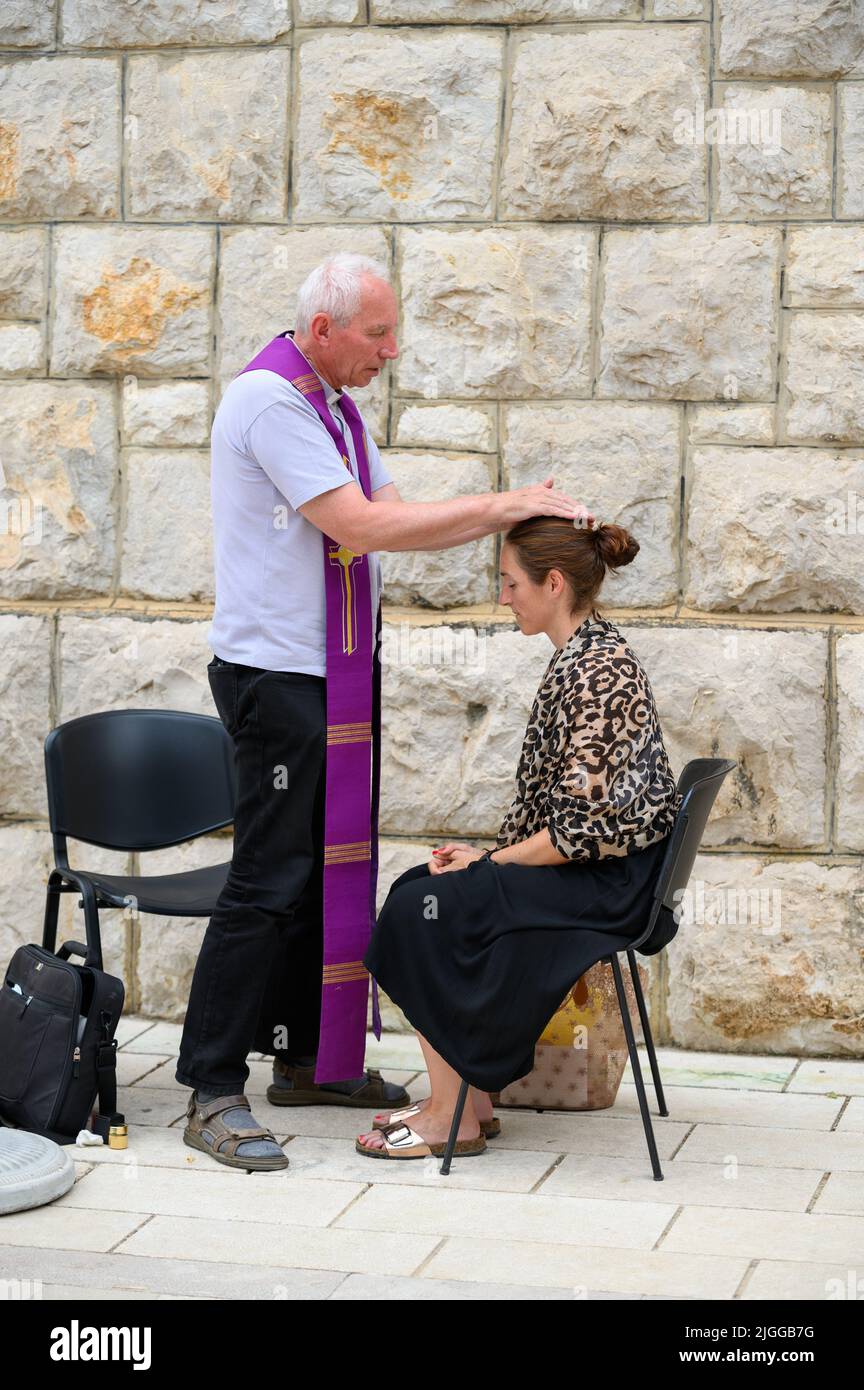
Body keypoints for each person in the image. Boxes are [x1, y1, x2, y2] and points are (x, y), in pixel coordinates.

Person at [176, 252, 593, 1171]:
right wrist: (503, 504)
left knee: (323, 874)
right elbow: (358, 528)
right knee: (268, 878)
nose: (392, 350)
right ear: (323, 330)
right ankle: (210, 1088)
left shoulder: (335, 408)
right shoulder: (272, 402)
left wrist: (505, 516)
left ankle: (305, 1061)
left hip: (331, 674)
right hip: (277, 679)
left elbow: (392, 509)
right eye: (378, 332)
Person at [356, 514, 682, 1160]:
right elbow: (573, 824)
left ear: (553, 583)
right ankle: (468, 1097)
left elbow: (576, 832)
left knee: (421, 910)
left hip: (605, 887)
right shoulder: (588, 654)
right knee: (422, 891)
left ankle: (455, 1113)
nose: (504, 596)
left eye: (510, 583)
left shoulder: (597, 673)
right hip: (597, 871)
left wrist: (488, 865)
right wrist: (487, 862)